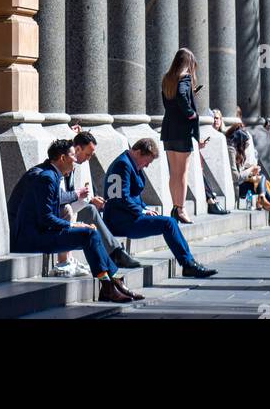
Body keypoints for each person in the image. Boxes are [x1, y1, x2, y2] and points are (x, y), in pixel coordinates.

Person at [7, 139, 141, 304]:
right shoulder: (47, 177)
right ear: (62, 158)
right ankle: (109, 285)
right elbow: (46, 218)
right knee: (88, 234)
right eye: (72, 156)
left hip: (40, 233)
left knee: (90, 233)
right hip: (32, 238)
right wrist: (72, 224)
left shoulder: (51, 174)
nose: (76, 160)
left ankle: (111, 282)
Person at [103, 137, 217, 278]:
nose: (147, 166)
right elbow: (121, 198)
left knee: (170, 222)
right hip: (121, 221)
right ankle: (188, 264)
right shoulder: (123, 164)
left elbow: (134, 196)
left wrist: (145, 208)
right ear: (138, 152)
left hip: (129, 216)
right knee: (169, 223)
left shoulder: (130, 163)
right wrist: (142, 210)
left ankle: (189, 262)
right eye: (147, 161)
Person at [51, 130, 141, 275]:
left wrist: (90, 199)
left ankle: (112, 256)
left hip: (65, 210)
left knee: (90, 210)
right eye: (88, 154)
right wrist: (81, 197)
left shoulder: (74, 165)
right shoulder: (60, 164)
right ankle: (110, 258)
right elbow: (58, 197)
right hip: (55, 214)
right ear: (78, 149)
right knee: (83, 211)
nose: (89, 158)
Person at [160, 48, 209, 225]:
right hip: (182, 130)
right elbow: (181, 95)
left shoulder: (167, 78)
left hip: (168, 129)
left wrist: (190, 96)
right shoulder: (185, 77)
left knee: (174, 172)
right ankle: (180, 209)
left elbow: (173, 100)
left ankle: (175, 207)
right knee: (182, 172)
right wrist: (191, 114)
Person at [228, 126, 262, 204]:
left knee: (262, 180)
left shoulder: (240, 153)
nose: (247, 146)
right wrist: (251, 168)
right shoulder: (231, 151)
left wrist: (252, 172)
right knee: (261, 180)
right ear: (241, 142)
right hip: (237, 187)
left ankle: (266, 202)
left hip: (242, 184)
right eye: (246, 143)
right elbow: (237, 177)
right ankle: (268, 204)